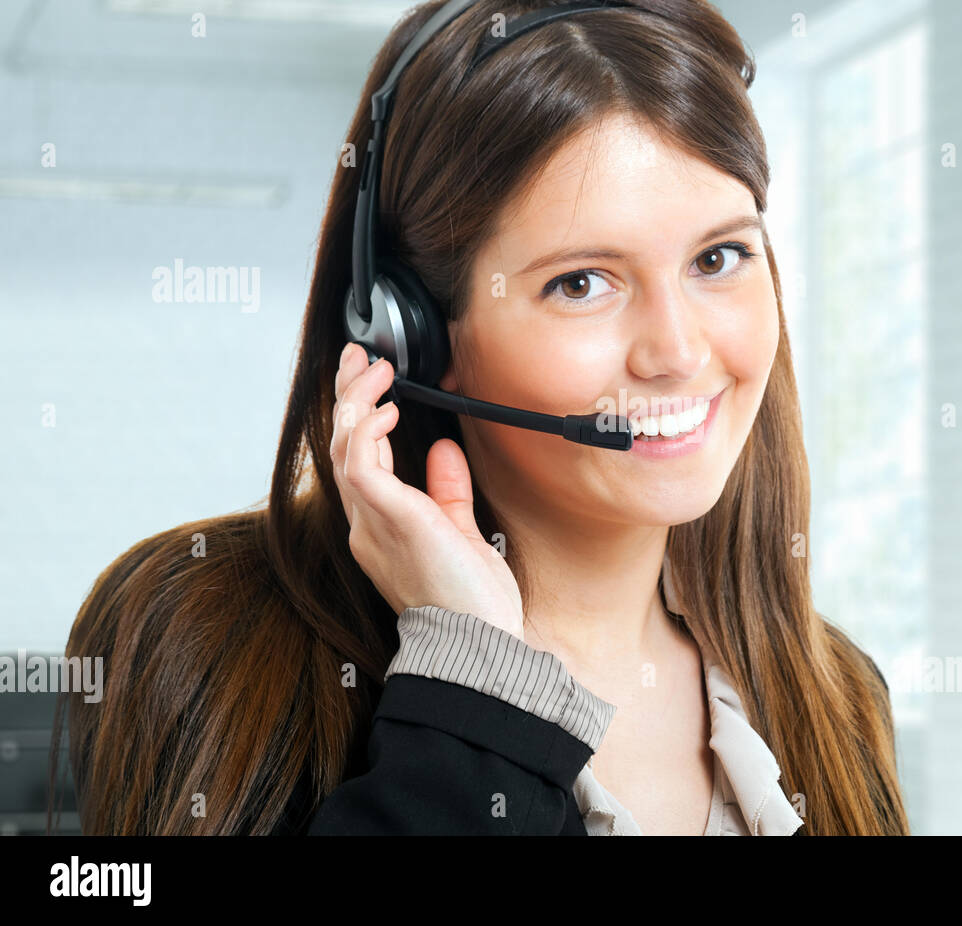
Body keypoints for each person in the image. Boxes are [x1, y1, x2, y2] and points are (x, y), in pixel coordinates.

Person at [52, 0, 907, 836]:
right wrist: (471, 691)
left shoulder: (838, 696)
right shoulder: (206, 635)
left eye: (718, 258)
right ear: (414, 331)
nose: (678, 352)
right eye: (581, 283)